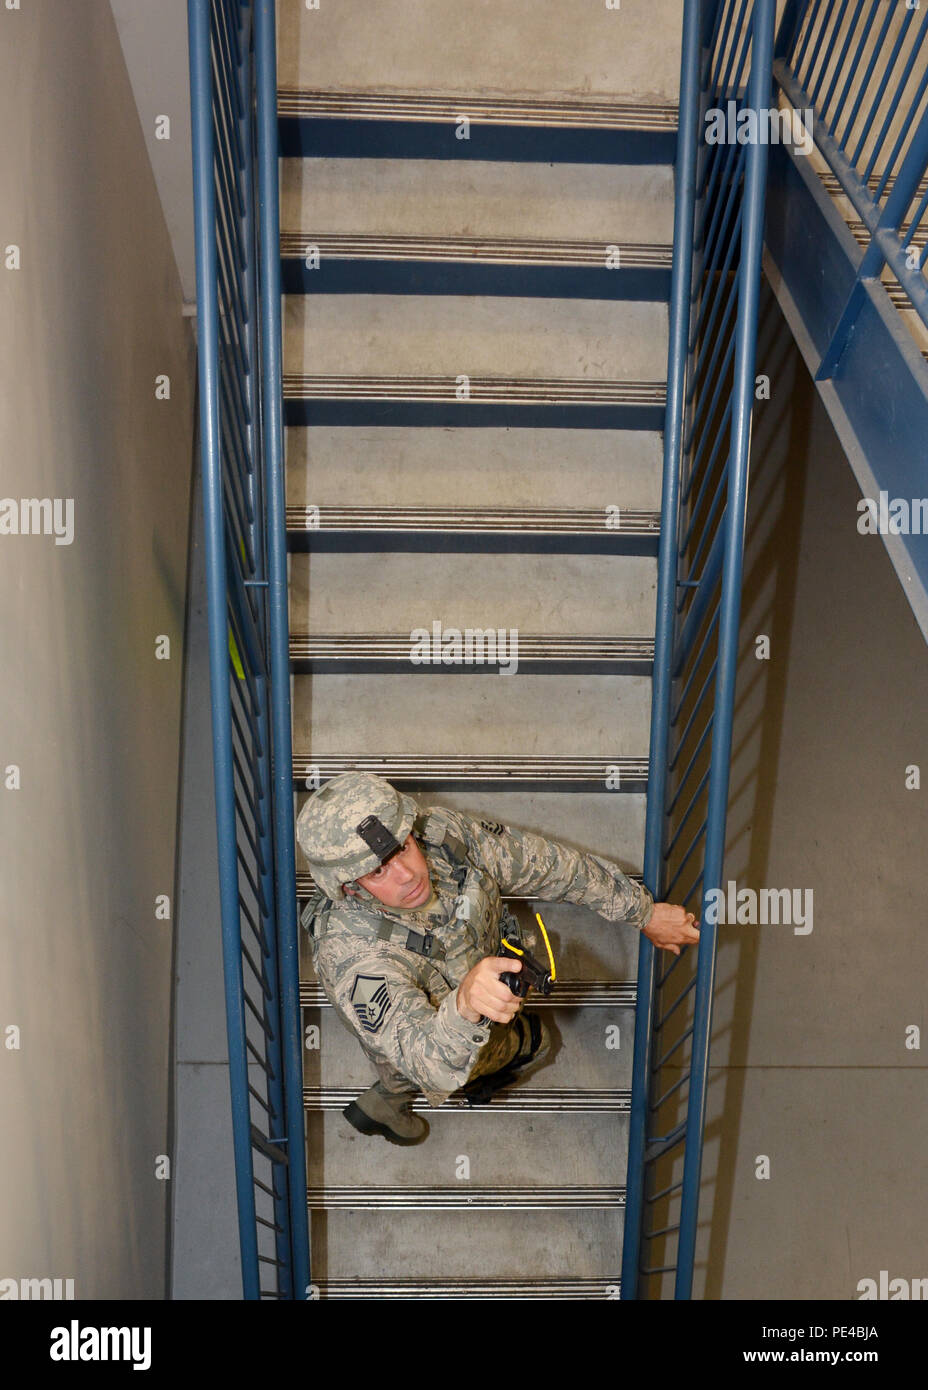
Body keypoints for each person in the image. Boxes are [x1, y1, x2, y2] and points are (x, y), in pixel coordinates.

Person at [296, 771, 700, 1145]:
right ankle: (408, 1096)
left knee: (403, 1069)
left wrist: (642, 912)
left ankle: (385, 1102)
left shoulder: (442, 839)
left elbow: (550, 866)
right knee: (534, 1044)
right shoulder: (352, 954)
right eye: (378, 871)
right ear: (349, 888)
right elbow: (426, 1060)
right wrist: (464, 1006)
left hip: (470, 990)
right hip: (431, 1036)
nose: (407, 875)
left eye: (403, 847)